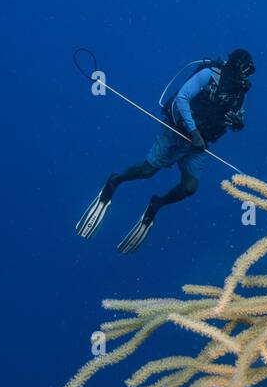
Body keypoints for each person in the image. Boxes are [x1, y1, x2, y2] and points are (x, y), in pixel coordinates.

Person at [76, 49, 255, 253]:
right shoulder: (209, 75)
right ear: (233, 64)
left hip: (199, 144)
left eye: (249, 71)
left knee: (189, 188)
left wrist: (238, 124)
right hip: (177, 132)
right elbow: (182, 98)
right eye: (244, 69)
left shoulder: (240, 93)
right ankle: (114, 182)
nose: (246, 75)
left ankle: (156, 205)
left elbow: (237, 120)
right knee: (147, 171)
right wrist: (193, 131)